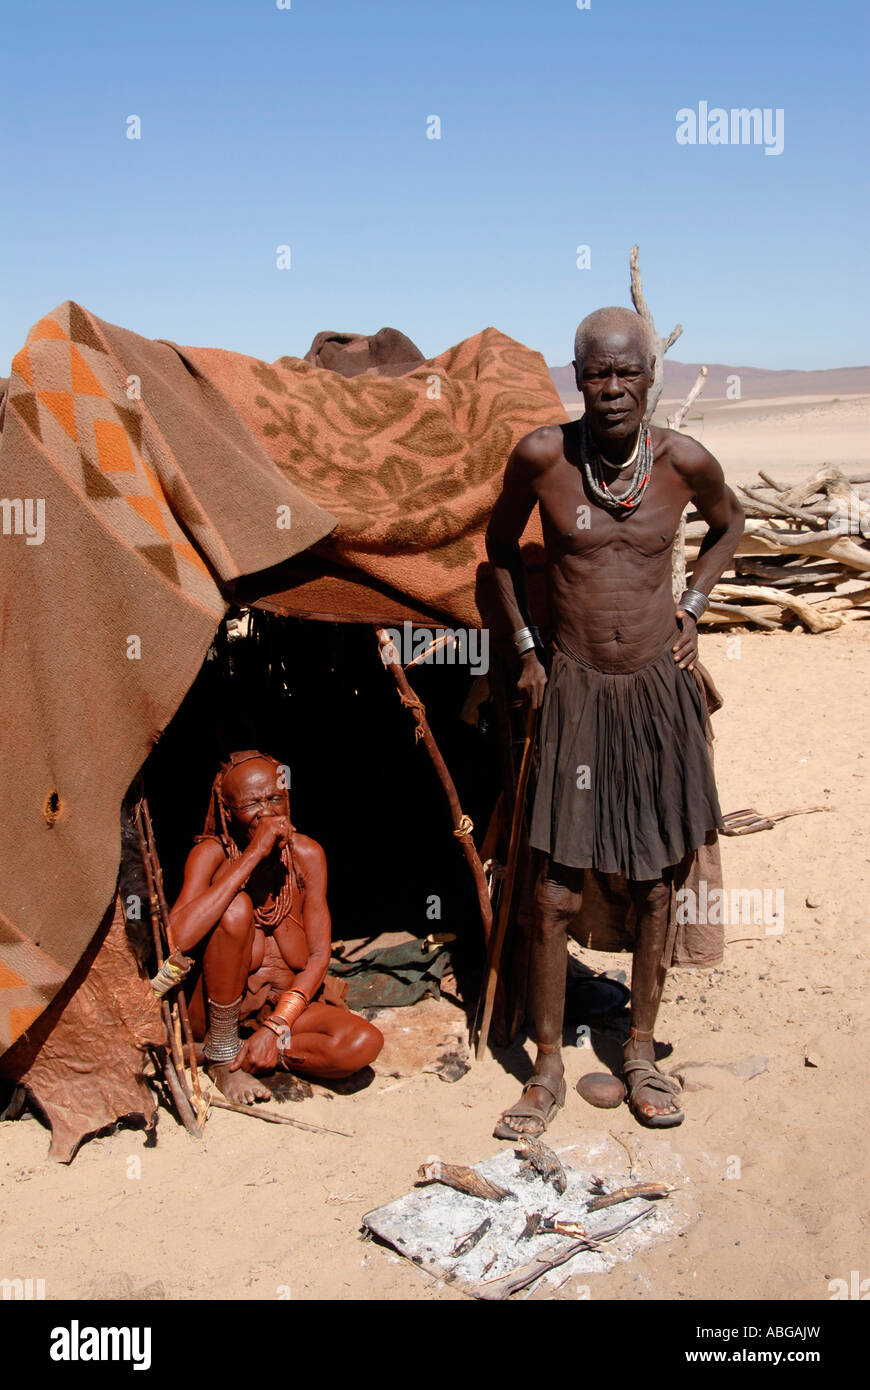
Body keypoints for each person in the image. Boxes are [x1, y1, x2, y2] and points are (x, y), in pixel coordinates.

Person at [485, 306, 744, 1134]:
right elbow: (495, 553)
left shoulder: (683, 461)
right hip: (576, 690)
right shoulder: (543, 457)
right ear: (577, 377)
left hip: (656, 692)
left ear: (650, 376)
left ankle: (639, 1053)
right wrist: (526, 648)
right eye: (596, 373)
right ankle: (550, 1068)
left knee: (658, 879)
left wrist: (694, 606)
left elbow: (732, 524)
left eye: (627, 372)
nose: (611, 389)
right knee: (555, 889)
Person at [170, 750, 383, 1104]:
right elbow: (177, 937)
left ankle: (258, 1052)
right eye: (253, 803)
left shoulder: (308, 856)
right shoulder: (211, 854)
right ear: (228, 811)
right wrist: (253, 854)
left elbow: (317, 957)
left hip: (284, 1013)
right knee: (235, 908)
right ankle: (222, 1053)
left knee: (362, 1043)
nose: (267, 812)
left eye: (275, 799)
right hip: (216, 1016)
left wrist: (275, 1028)